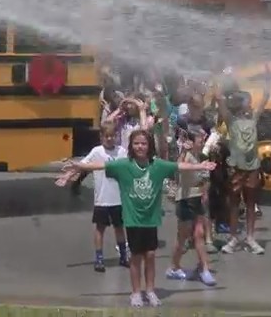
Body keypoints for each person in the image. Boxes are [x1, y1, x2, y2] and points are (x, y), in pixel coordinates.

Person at [60, 129, 216, 308]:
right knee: (136, 257)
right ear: (131, 146)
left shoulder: (157, 166)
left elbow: (178, 166)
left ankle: (150, 290)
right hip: (133, 220)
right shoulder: (124, 165)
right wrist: (79, 166)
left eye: (143, 143)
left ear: (149, 146)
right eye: (136, 143)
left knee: (150, 256)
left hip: (151, 219)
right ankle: (135, 292)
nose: (140, 147)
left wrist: (201, 166)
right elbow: (100, 165)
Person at [166, 128, 218, 287]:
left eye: (203, 139)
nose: (203, 141)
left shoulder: (202, 156)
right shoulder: (186, 155)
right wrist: (183, 151)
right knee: (182, 238)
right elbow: (179, 167)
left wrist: (205, 191)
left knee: (199, 234)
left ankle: (204, 268)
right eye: (200, 139)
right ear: (192, 141)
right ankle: (174, 266)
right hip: (185, 199)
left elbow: (205, 177)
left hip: (197, 199)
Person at [78, 123, 131, 272]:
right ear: (101, 137)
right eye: (106, 136)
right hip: (102, 199)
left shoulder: (122, 152)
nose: (109, 139)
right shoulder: (97, 151)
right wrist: (71, 172)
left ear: (117, 136)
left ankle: (123, 255)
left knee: (119, 228)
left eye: (112, 136)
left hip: (118, 199)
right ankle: (99, 258)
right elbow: (83, 164)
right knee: (100, 229)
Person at [220, 90, 265, 255]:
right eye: (247, 102)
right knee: (233, 204)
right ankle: (233, 238)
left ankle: (250, 238)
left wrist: (268, 81)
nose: (249, 105)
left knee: (251, 204)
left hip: (252, 168)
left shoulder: (253, 119)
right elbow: (220, 101)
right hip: (236, 169)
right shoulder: (231, 121)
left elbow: (264, 99)